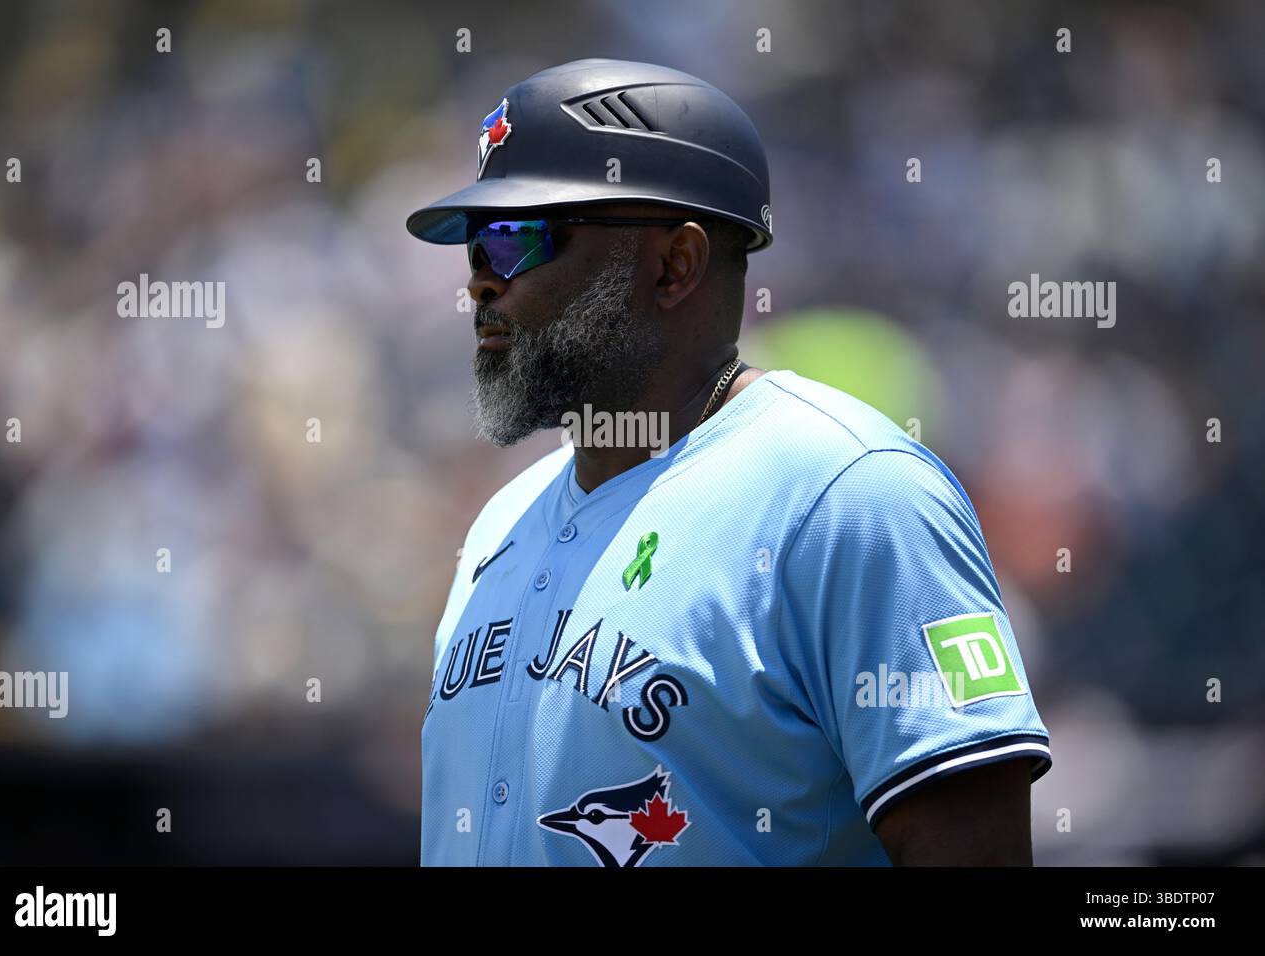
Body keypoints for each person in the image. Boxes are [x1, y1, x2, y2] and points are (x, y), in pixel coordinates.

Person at [406, 58, 1051, 866]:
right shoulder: (503, 523)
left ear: (674, 265)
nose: (478, 284)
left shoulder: (849, 494)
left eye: (513, 240)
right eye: (473, 246)